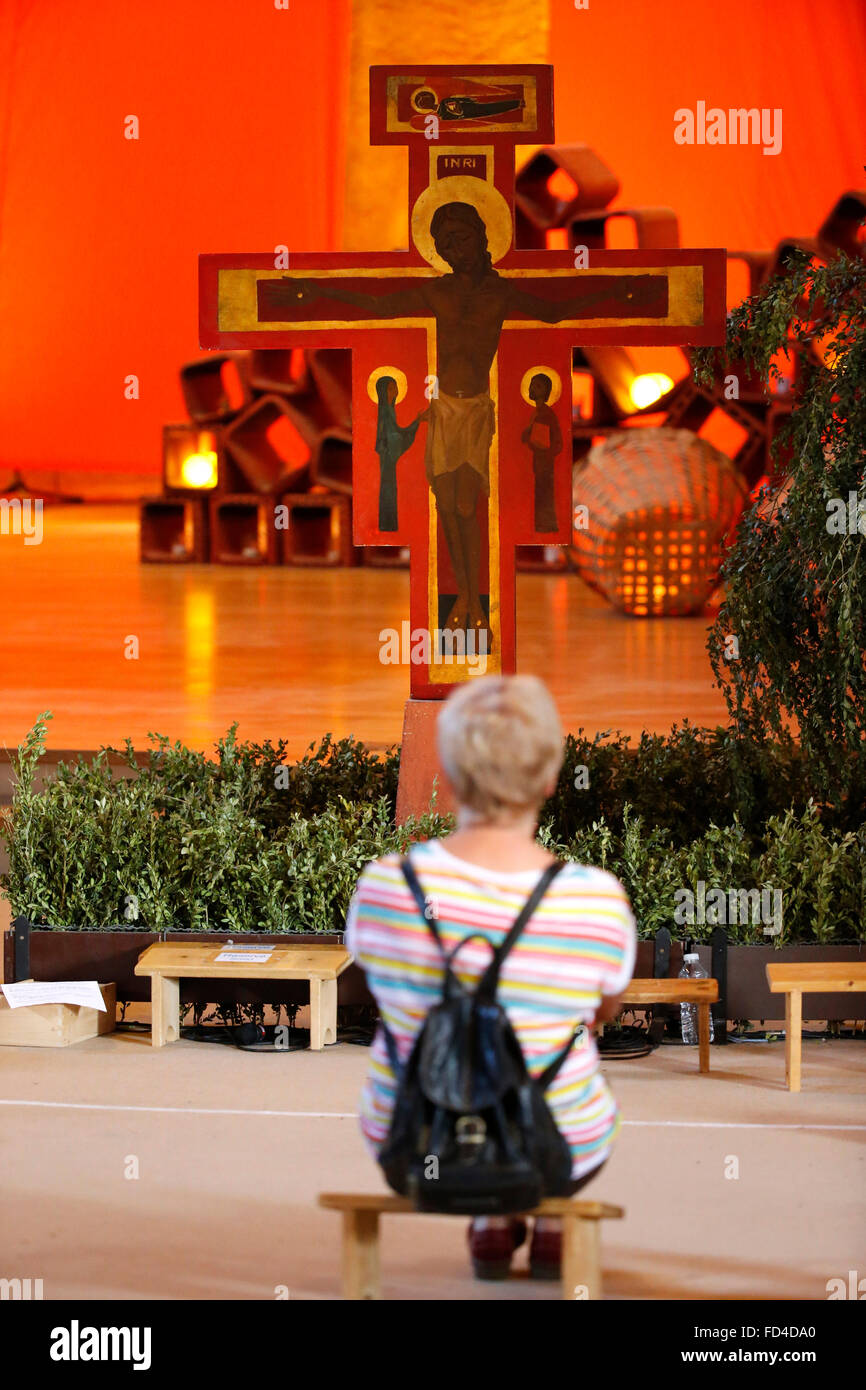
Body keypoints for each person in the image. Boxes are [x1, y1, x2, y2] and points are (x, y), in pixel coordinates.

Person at [344, 674, 636, 1281]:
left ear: (447, 775)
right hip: (561, 1142)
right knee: (565, 1046)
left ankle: (492, 1218)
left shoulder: (386, 887)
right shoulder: (596, 899)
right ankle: (547, 1218)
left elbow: (384, 987)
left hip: (412, 1136)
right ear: (551, 778)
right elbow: (602, 1010)